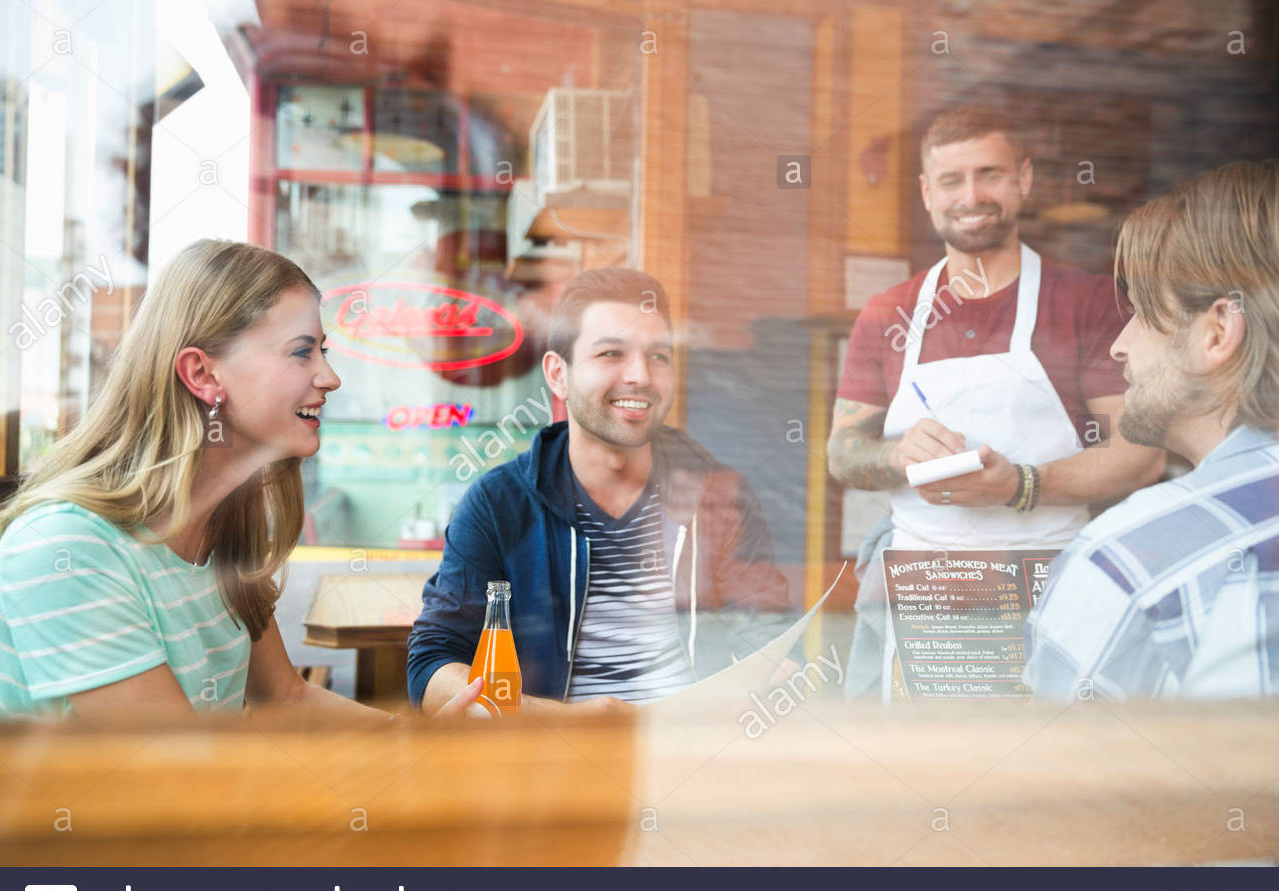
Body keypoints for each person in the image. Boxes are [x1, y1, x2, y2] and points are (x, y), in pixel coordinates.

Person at [0, 239, 481, 722]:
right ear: (202, 375)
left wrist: (418, 744)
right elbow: (181, 779)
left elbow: (285, 701)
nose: (330, 377)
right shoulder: (69, 548)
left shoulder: (224, 528)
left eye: (323, 352)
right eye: (301, 352)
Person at [827, 105, 1165, 701]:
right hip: (924, 592)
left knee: (1040, 770)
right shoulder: (888, 314)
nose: (972, 195)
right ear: (928, 193)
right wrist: (898, 457)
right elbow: (843, 453)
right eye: (952, 181)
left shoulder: (1086, 303)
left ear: (1024, 179)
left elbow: (1142, 456)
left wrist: (1021, 486)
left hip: (1049, 585)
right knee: (917, 771)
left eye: (990, 174)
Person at [407, 267, 794, 714]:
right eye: (611, 353)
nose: (640, 375)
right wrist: (563, 722)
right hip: (549, 764)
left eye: (659, 356)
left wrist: (769, 682)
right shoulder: (499, 504)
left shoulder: (718, 494)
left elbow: (771, 640)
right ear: (558, 374)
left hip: (685, 754)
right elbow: (433, 660)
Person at [1024, 160, 1279, 700]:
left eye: (1141, 312)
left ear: (1216, 333)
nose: (1121, 344)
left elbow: (1045, 778)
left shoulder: (1130, 564)